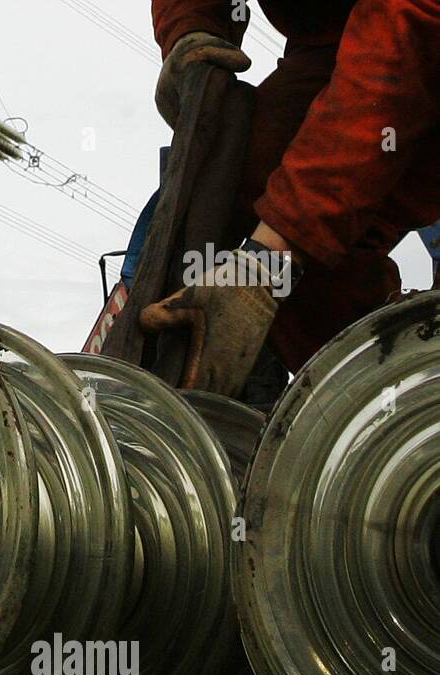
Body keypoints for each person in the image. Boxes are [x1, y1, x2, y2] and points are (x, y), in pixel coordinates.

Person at [139, 1, 440, 397]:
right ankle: (373, 399)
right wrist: (189, 31)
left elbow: (407, 32)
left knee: (290, 231)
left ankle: (404, 419)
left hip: (415, 27)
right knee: (240, 178)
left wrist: (268, 261)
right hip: (334, 42)